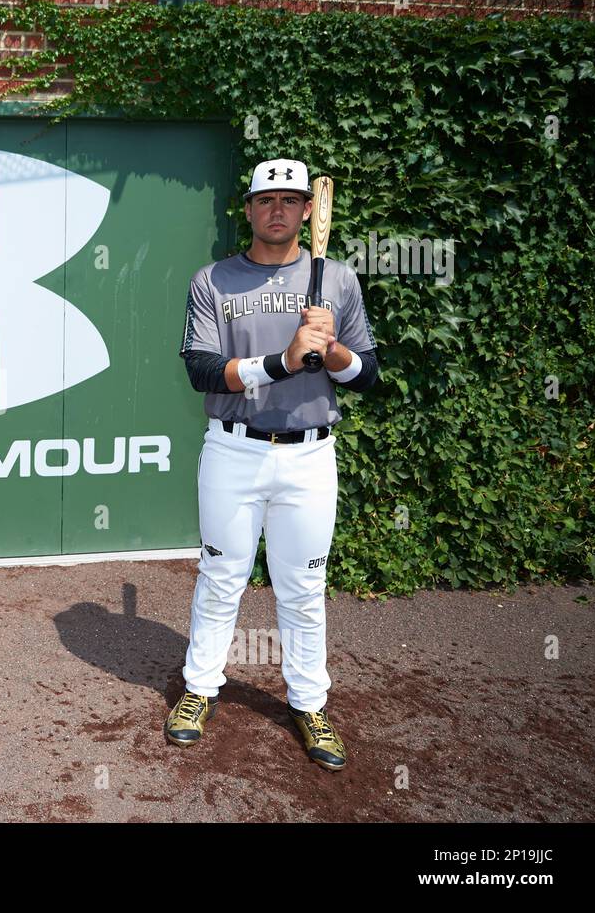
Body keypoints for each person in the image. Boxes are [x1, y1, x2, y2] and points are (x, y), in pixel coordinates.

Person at [167, 158, 379, 771]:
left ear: (308, 211)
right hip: (233, 449)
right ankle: (199, 689)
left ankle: (309, 703)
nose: (278, 210)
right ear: (250, 209)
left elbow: (368, 375)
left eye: (290, 200)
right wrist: (283, 361)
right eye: (266, 201)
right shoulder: (213, 280)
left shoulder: (336, 280)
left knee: (304, 588)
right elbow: (201, 370)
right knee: (220, 577)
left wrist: (331, 348)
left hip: (310, 455)